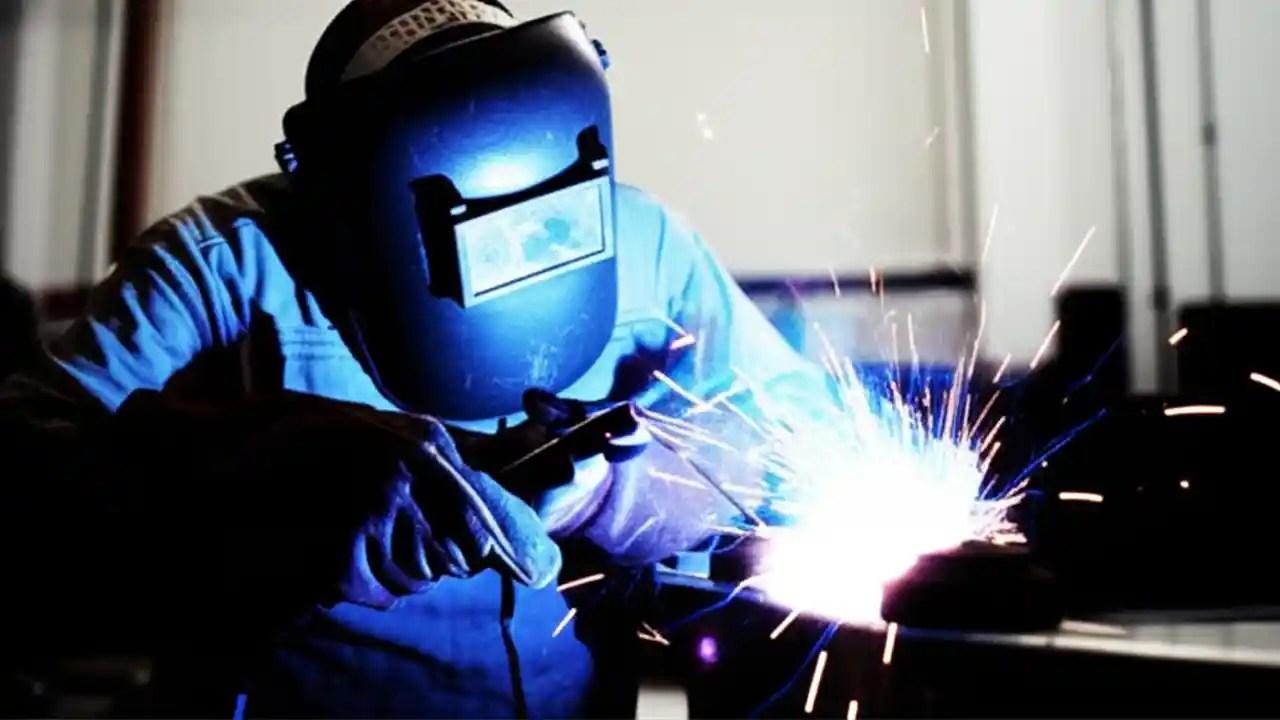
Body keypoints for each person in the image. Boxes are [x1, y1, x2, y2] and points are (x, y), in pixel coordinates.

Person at [0, 1, 828, 717]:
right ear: (343, 188)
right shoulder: (227, 261)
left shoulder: (645, 242)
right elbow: (31, 451)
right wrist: (272, 459)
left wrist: (623, 491)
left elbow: (802, 437)